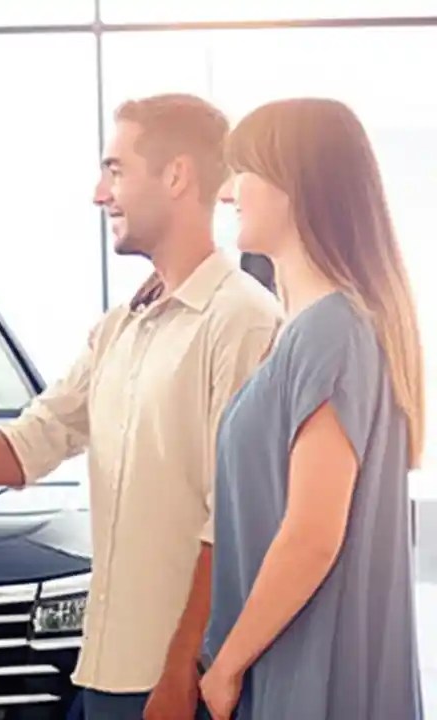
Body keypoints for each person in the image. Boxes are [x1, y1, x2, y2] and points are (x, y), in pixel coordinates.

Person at [0, 94, 284, 719]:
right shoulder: (120, 327)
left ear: (176, 176)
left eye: (115, 170)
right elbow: (29, 444)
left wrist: (180, 671)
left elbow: (232, 520)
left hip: (175, 681)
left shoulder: (241, 321)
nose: (98, 194)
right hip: (104, 672)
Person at [198, 98, 426, 720]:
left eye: (242, 171)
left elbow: (311, 536)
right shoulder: (314, 328)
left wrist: (227, 665)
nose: (227, 195)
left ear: (292, 185)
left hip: (306, 673)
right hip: (288, 661)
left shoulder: (332, 331)